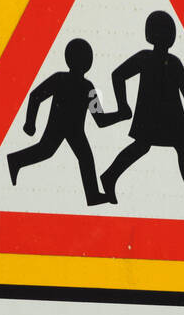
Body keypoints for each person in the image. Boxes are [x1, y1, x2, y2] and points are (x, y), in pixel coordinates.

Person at [99, 10, 184, 212]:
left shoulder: (173, 62)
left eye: (169, 32)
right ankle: (109, 176)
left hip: (171, 117)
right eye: (163, 32)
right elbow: (118, 75)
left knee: (169, 148)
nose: (167, 36)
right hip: (152, 116)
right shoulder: (145, 58)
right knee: (148, 146)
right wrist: (123, 105)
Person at [7, 38, 115, 207]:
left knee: (80, 156)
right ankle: (15, 160)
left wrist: (120, 116)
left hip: (75, 131)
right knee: (48, 151)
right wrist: (29, 123)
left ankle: (92, 195)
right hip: (59, 127)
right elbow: (36, 96)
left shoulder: (87, 87)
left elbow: (99, 119)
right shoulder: (66, 80)